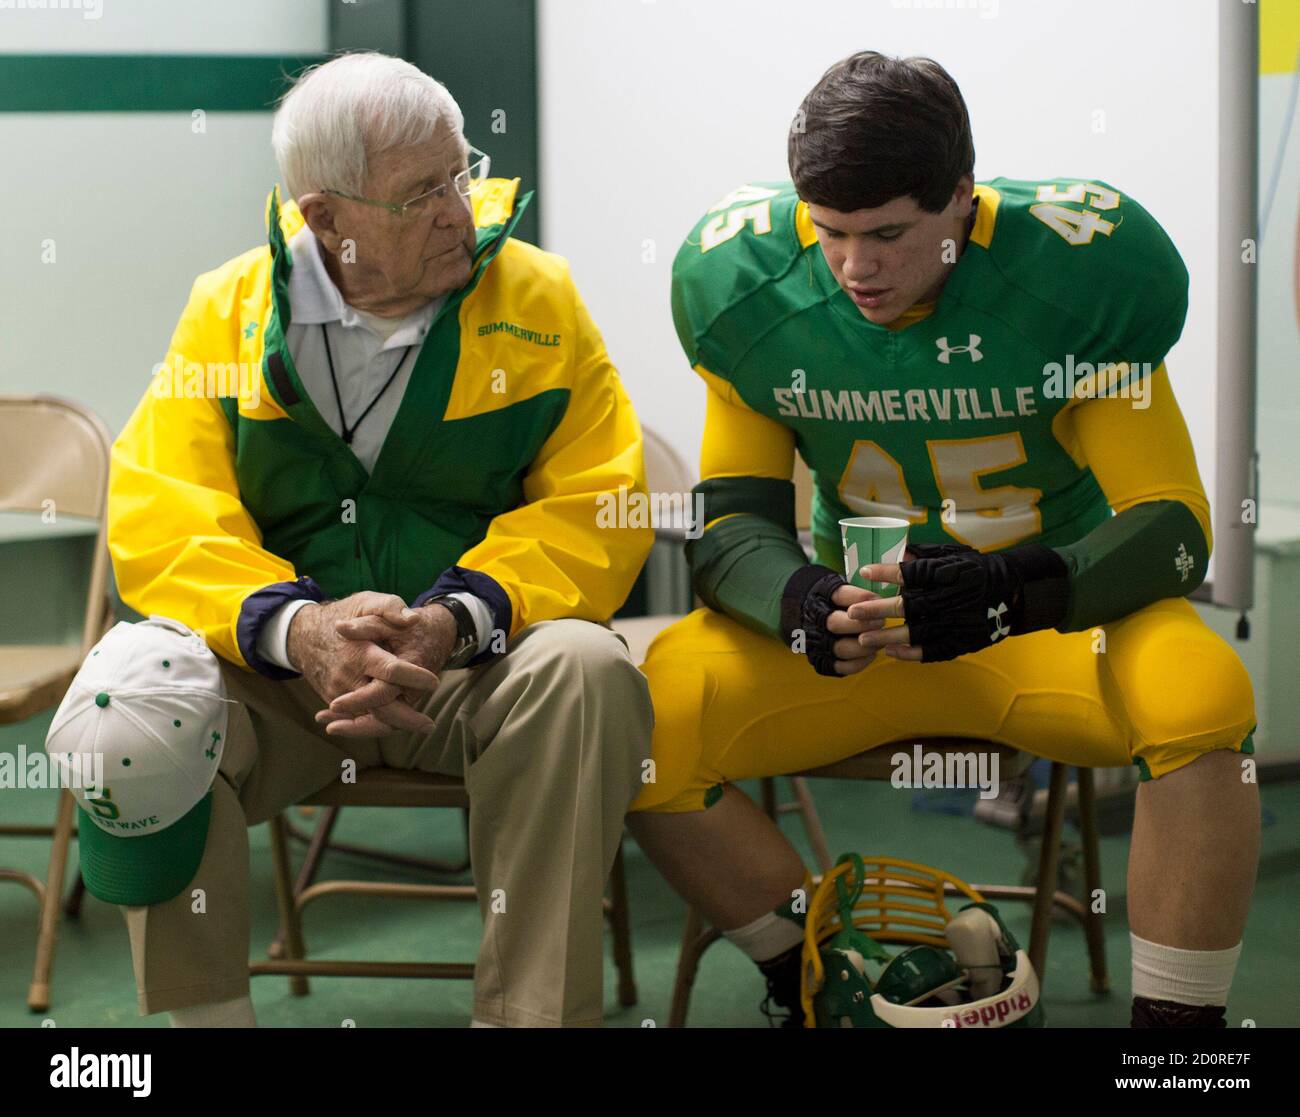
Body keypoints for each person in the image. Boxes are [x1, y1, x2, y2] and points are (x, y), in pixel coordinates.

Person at [626, 51, 1259, 1029]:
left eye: (887, 233)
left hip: (1044, 626)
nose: (854, 267)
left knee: (1204, 695)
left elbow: (1173, 529)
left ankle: (1176, 1046)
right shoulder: (747, 282)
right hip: (863, 633)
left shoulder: (1075, 273)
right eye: (829, 233)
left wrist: (1012, 586)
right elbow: (730, 524)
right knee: (641, 719)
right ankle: (813, 973)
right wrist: (797, 601)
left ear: (962, 199)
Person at [97, 52, 654, 1028]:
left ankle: (531, 1017)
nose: (459, 210)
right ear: (324, 218)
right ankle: (208, 1021)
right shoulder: (225, 312)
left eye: (459, 173)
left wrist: (457, 615)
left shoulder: (538, 299)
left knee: (586, 668)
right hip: (285, 683)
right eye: (420, 193)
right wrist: (297, 628)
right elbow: (165, 511)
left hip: (477, 667)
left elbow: (597, 502)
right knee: (134, 691)